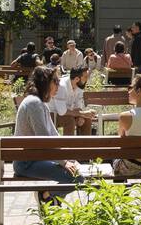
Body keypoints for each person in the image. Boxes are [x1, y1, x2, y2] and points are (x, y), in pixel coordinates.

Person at [12, 66, 79, 202]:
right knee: (77, 178)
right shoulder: (34, 104)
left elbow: (54, 136)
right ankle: (45, 196)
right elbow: (45, 141)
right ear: (45, 82)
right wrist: (63, 162)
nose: (58, 86)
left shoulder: (39, 103)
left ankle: (49, 199)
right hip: (27, 163)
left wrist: (68, 158)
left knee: (75, 173)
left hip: (36, 159)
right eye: (55, 81)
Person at [54, 65, 94, 135]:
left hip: (67, 113)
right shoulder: (62, 86)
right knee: (69, 120)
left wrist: (81, 116)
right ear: (76, 79)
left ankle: (85, 145)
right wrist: (82, 113)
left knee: (87, 119)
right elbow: (62, 112)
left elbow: (78, 106)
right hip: (53, 114)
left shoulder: (79, 87)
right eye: (85, 77)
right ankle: (68, 145)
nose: (87, 79)